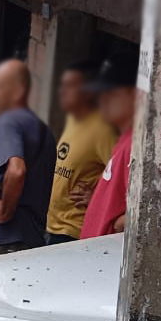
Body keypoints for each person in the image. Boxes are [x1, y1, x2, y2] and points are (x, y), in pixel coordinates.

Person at [0, 60, 56, 257]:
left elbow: (16, 170)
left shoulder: (9, 120)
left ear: (18, 91)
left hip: (5, 239)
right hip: (32, 237)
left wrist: (5, 213)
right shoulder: (42, 129)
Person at [46, 60, 118, 245]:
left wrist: (96, 198)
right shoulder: (73, 119)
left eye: (70, 86)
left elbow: (120, 176)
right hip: (53, 225)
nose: (62, 91)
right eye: (63, 85)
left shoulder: (103, 129)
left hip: (74, 231)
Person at [80, 55, 138, 239]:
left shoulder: (136, 144)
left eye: (111, 93)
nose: (102, 99)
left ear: (135, 95)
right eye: (100, 93)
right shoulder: (125, 139)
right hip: (95, 251)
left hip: (106, 253)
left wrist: (118, 224)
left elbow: (143, 213)